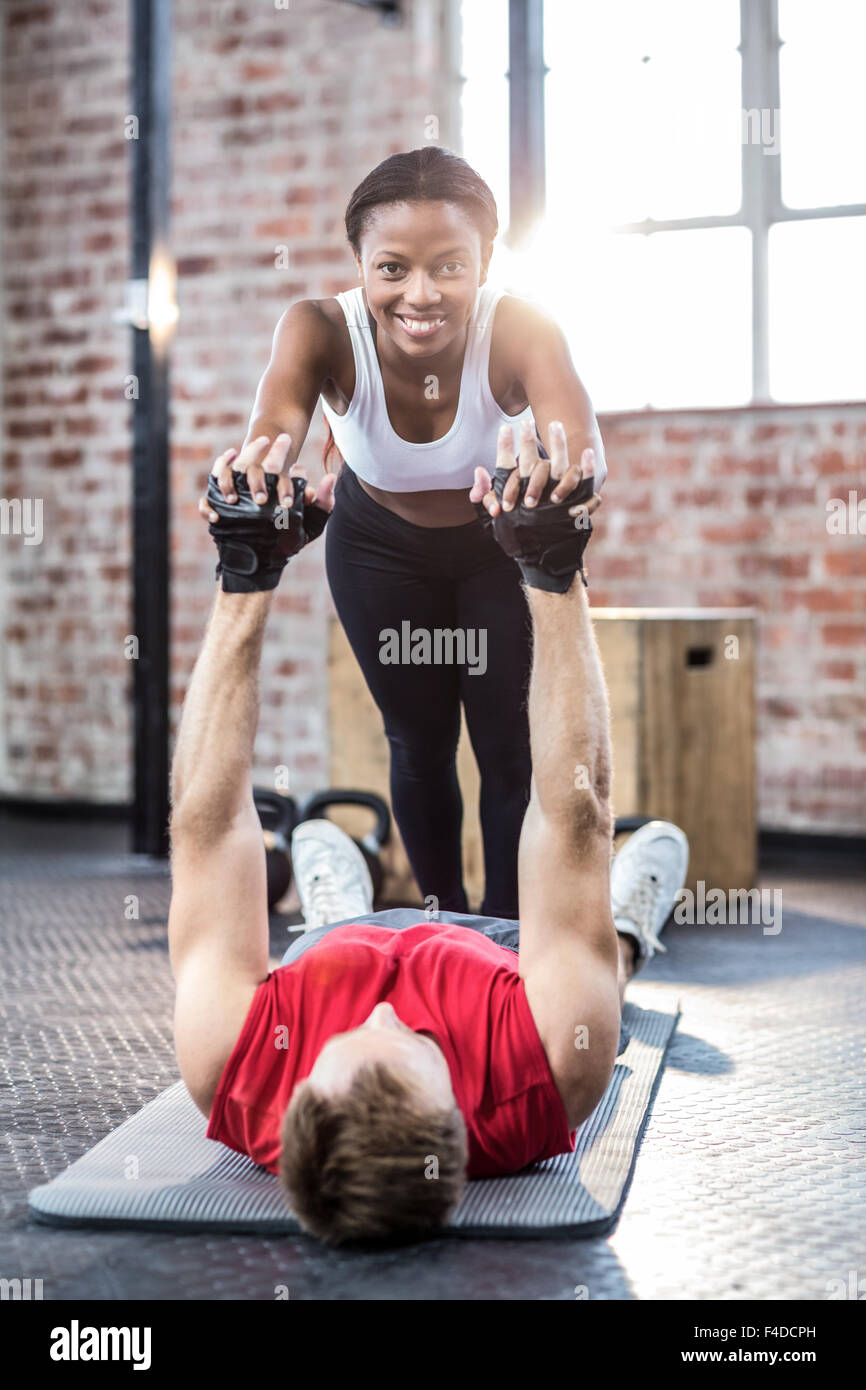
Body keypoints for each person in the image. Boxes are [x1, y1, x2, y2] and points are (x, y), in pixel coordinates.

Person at [170, 424, 688, 1247]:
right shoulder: (551, 1065)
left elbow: (205, 823)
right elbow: (575, 815)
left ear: (294, 1106)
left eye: (346, 1041)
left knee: (328, 946)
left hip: (345, 947)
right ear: (463, 1119)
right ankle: (626, 928)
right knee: (596, 970)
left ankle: (338, 916)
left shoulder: (233, 1065)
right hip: (510, 958)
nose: (382, 1014)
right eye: (409, 1045)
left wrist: (245, 573)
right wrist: (552, 572)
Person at [199, 146, 609, 919]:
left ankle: (509, 935)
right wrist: (257, 477)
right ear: (359, 263)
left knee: (510, 749)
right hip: (377, 548)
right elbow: (274, 426)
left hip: (498, 551)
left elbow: (580, 443)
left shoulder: (520, 326)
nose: (421, 294)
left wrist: (561, 476)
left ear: (485, 264)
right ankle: (439, 921)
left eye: (450, 266)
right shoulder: (319, 327)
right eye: (392, 269)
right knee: (417, 743)